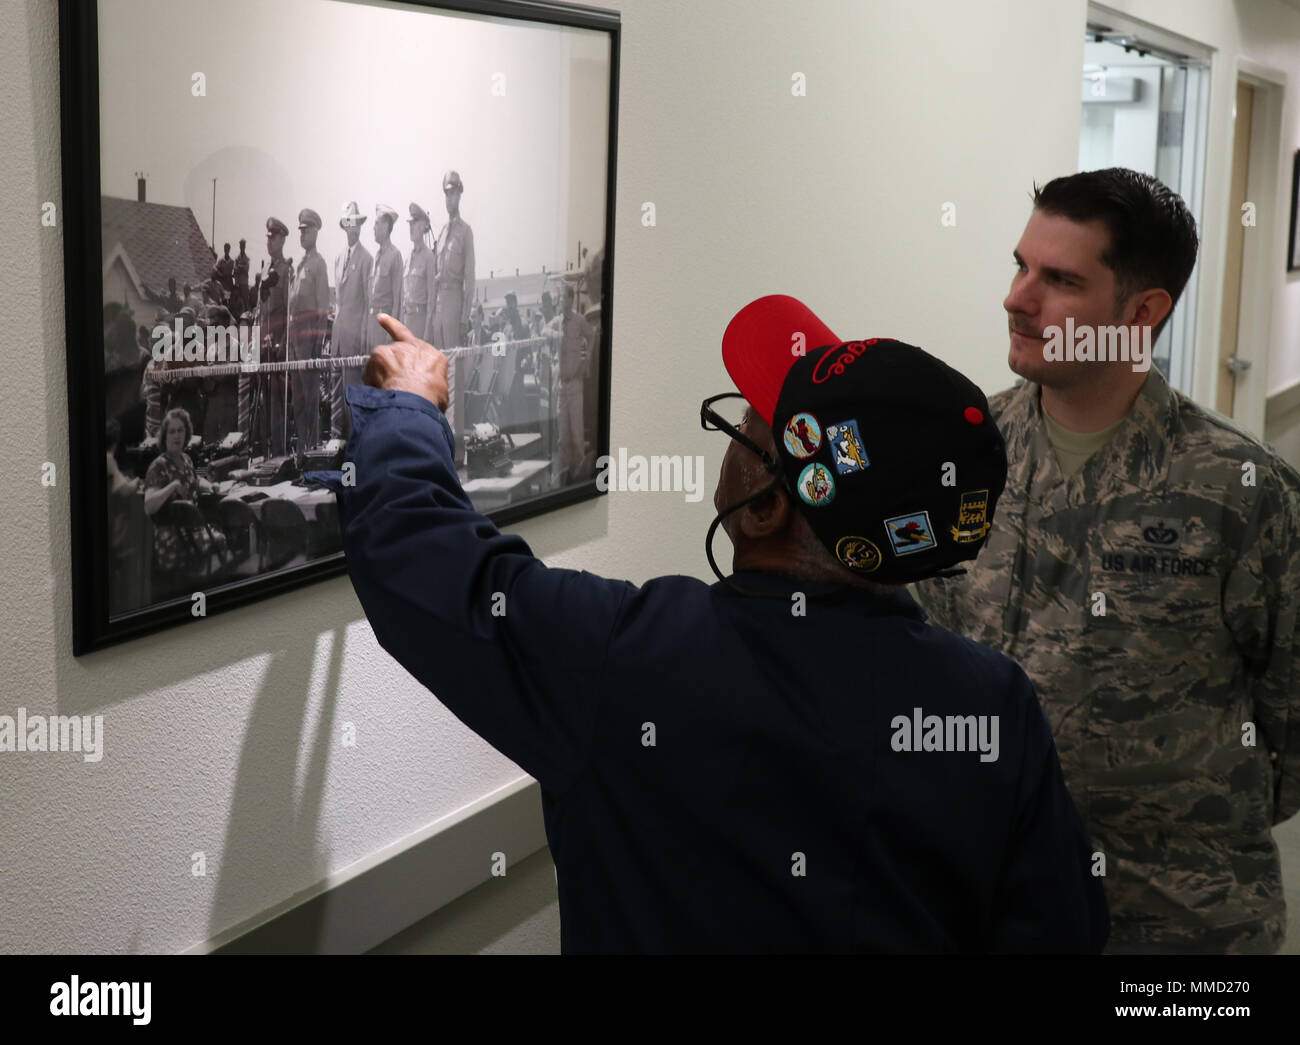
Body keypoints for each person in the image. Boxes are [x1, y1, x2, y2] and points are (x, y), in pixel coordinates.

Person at [304, 295, 1108, 953]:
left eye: (743, 434)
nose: (729, 451)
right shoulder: (993, 707)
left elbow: (426, 559)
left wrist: (407, 406)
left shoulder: (633, 660)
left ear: (763, 506)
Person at [911, 167, 1300, 955]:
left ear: (1141, 312)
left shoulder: (1238, 488)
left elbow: (1291, 721)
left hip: (1179, 922)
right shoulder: (962, 455)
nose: (1018, 297)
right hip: (989, 909)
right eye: (1020, 266)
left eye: (1059, 279)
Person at [143, 407, 226, 597]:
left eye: (180, 430)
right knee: (220, 539)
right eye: (172, 431)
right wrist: (171, 487)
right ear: (164, 436)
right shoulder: (158, 466)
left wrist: (210, 486)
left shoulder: (186, 459)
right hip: (172, 539)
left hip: (192, 532)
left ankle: (207, 589)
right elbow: (149, 506)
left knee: (220, 528)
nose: (176, 435)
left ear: (187, 433)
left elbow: (194, 481)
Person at [239, 217, 293, 457]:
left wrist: (283, 343)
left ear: (282, 240)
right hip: (261, 342)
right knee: (259, 401)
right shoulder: (263, 270)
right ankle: (262, 451)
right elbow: (260, 309)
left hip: (277, 341)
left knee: (276, 402)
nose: (269, 242)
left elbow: (289, 310)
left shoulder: (286, 270)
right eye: (268, 237)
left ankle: (279, 453)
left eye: (274, 237)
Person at [432, 170, 475, 460]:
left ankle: (457, 451)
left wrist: (463, 317)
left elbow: (470, 277)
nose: (450, 197)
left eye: (454, 192)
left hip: (455, 301)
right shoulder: (443, 231)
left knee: (455, 376)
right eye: (446, 193)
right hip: (438, 303)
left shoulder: (465, 231)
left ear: (460, 194)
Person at [287, 207, 330, 453]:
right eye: (300, 231)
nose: (301, 235)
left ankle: (313, 451)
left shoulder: (318, 264)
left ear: (315, 232)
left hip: (308, 336)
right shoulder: (301, 265)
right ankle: (302, 451)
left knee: (311, 399)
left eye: (306, 230)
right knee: (299, 400)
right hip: (295, 336)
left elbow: (323, 308)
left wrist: (317, 342)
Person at [330, 202, 373, 441]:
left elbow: (367, 304)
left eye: (355, 223)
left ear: (359, 227)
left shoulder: (366, 259)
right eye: (348, 223)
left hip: (354, 336)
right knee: (337, 392)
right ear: (344, 227)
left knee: (353, 392)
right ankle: (339, 444)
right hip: (338, 335)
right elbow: (338, 300)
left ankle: (358, 443)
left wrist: (363, 337)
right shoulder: (337, 259)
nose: (352, 228)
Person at [554, 283, 594, 485]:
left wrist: (586, 363)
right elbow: (543, 329)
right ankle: (567, 479)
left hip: (575, 385)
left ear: (570, 299)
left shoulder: (579, 321)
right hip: (561, 387)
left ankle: (581, 481)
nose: (561, 301)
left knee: (577, 436)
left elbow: (592, 334)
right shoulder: (557, 322)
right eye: (559, 298)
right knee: (563, 436)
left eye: (564, 298)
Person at [367, 204, 403, 351]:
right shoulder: (376, 256)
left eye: (376, 224)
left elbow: (397, 299)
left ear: (386, 226)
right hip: (372, 324)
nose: (373, 228)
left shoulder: (395, 255)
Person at [402, 203, 438, 342]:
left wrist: (427, 330)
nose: (411, 227)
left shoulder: (428, 257)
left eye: (415, 223)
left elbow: (431, 298)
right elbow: (402, 299)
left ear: (423, 226)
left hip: (420, 323)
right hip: (406, 323)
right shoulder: (407, 258)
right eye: (410, 224)